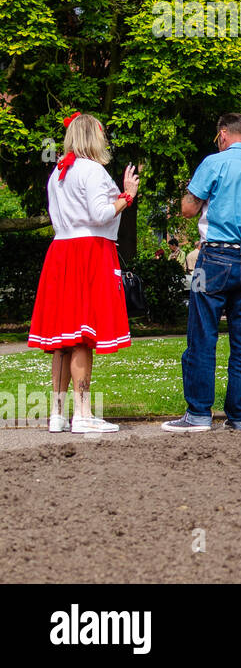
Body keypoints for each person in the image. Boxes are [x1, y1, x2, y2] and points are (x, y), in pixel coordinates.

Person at [162, 113, 241, 433]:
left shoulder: (214, 164)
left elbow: (188, 208)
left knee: (202, 335)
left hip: (213, 259)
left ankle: (199, 413)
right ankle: (240, 416)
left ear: (223, 135)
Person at [28, 112, 138, 434]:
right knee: (82, 335)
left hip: (60, 252)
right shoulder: (92, 171)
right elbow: (100, 213)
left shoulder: (58, 173)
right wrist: (127, 196)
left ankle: (58, 414)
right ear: (94, 136)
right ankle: (84, 413)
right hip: (88, 252)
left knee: (62, 337)